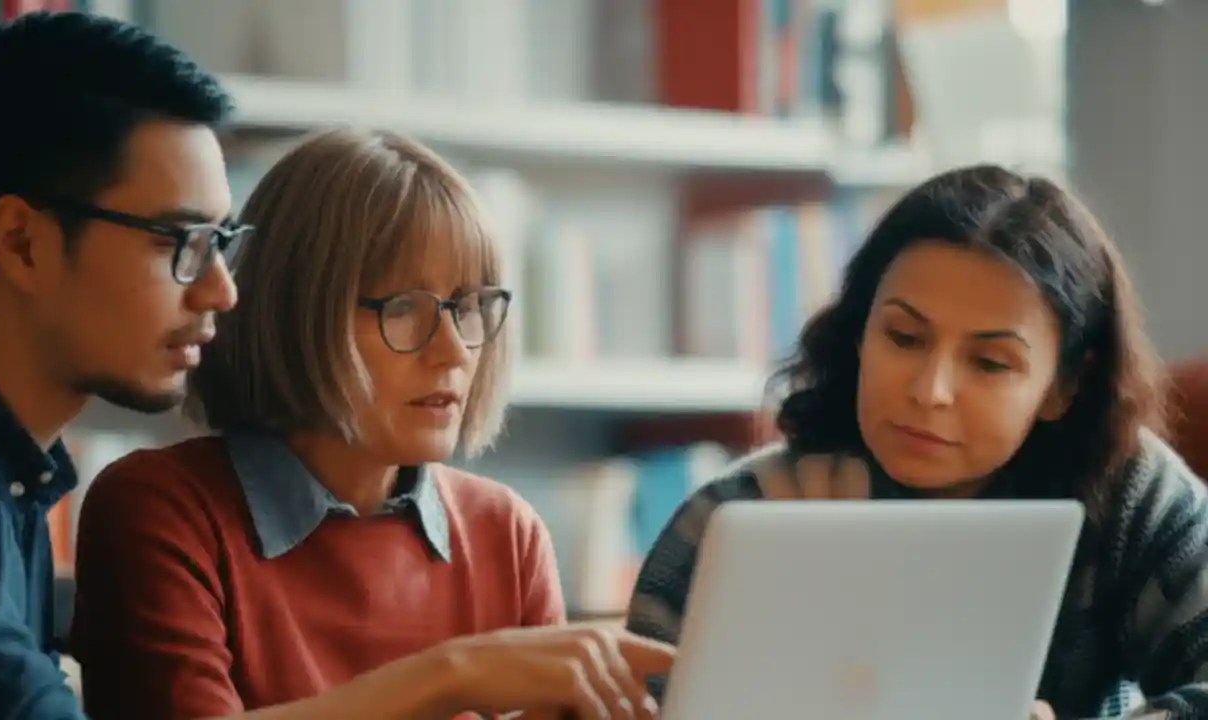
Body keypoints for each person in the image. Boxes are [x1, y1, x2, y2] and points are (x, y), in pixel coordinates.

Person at [69, 127, 670, 720]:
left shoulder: (505, 533)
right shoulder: (159, 509)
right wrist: (453, 677)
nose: (454, 351)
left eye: (467, 307)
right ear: (292, 312)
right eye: (403, 307)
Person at [626, 164, 1208, 719]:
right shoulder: (739, 518)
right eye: (903, 338)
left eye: (989, 362)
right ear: (859, 334)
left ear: (1063, 387)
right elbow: (636, 705)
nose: (930, 391)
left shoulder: (1132, 494)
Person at [0, 11, 243, 719]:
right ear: (22, 243)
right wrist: (448, 678)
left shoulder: (8, 472)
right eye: (181, 241)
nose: (222, 288)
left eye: (222, 240)